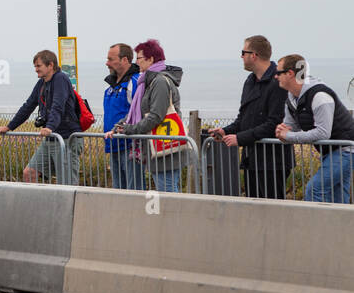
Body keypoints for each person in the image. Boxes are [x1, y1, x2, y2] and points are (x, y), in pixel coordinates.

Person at [209, 36, 294, 199]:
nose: (241, 56)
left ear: (253, 55)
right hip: (252, 159)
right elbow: (244, 119)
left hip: (273, 161)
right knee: (253, 210)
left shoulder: (278, 82)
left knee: (272, 210)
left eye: (243, 52)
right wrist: (225, 131)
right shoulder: (250, 81)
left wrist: (239, 138)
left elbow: (274, 123)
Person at [104, 39, 192, 193]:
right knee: (164, 188)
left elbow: (155, 116)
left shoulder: (159, 82)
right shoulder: (147, 82)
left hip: (165, 144)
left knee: (167, 190)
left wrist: (129, 129)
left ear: (151, 59)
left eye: (139, 58)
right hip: (158, 145)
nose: (136, 62)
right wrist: (119, 127)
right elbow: (135, 112)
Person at [0, 49, 84, 185]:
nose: (36, 70)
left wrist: (50, 127)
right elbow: (28, 106)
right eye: (35, 67)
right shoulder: (42, 83)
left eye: (38, 66)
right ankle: (38, 204)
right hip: (51, 138)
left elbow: (58, 106)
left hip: (66, 139)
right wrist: (9, 126)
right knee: (29, 172)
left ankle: (67, 205)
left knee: (66, 183)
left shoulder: (61, 79)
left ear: (50, 65)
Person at [275, 55, 354, 204]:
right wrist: (282, 132)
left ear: (290, 73)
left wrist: (288, 136)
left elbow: (323, 132)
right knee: (338, 198)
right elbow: (291, 129)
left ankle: (315, 227)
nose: (276, 76)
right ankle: (340, 227)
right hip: (330, 151)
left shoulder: (319, 96)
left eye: (279, 73)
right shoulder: (291, 99)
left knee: (314, 189)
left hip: (346, 150)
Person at [103, 43, 144, 190]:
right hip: (113, 144)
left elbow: (137, 112)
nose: (107, 63)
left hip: (130, 145)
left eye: (111, 59)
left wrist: (120, 129)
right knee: (118, 190)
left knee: (134, 190)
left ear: (125, 60)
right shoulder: (110, 87)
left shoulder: (135, 83)